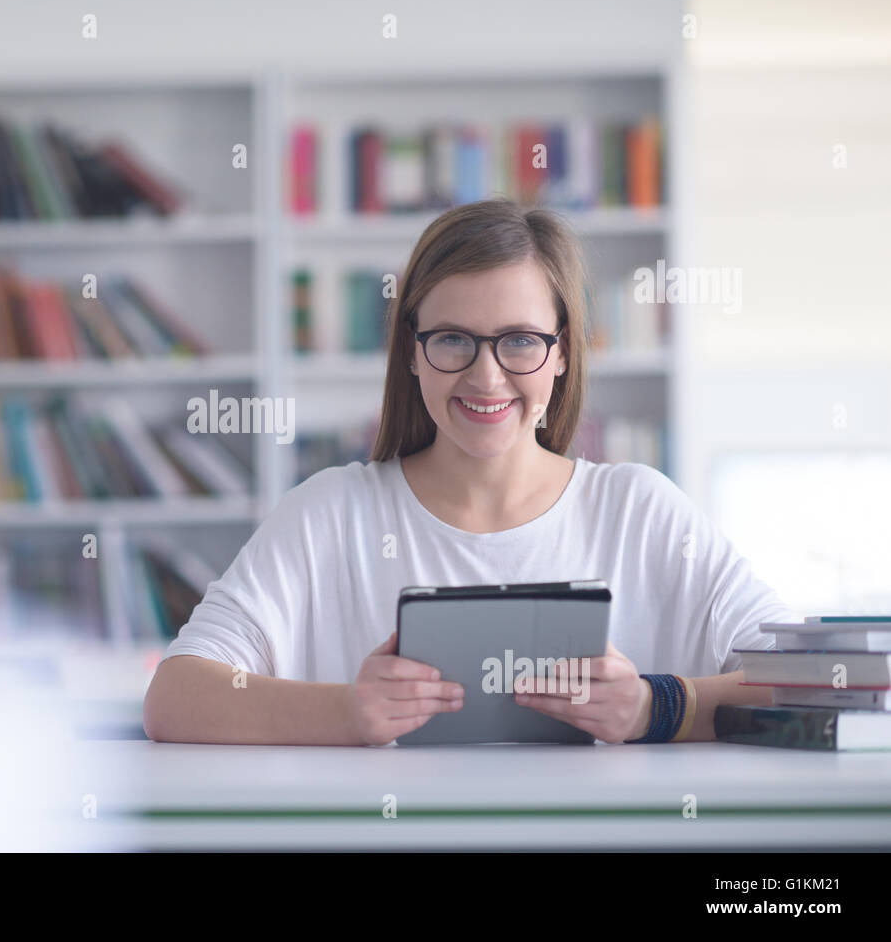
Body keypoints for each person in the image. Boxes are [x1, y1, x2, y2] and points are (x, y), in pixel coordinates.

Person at [142, 198, 798, 746]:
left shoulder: (640, 512)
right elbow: (174, 697)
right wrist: (346, 712)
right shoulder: (327, 515)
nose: (486, 376)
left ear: (563, 352)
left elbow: (806, 679)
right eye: (453, 338)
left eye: (519, 339)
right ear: (413, 352)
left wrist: (654, 706)